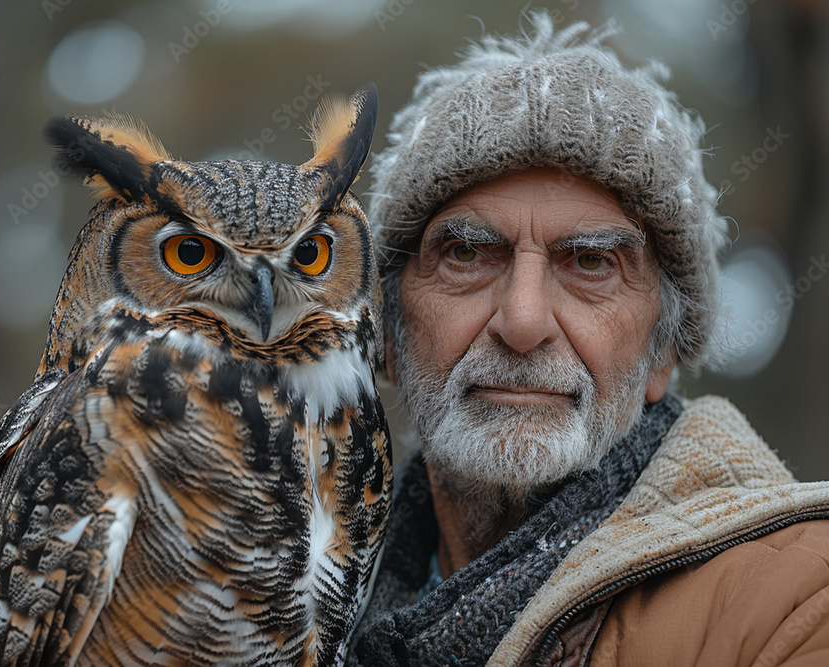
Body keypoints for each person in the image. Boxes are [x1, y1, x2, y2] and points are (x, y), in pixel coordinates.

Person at [346, 13, 829, 667]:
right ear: (390, 338)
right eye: (465, 254)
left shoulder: (795, 604)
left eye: (592, 263)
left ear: (664, 351)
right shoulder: (247, 597)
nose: (522, 323)